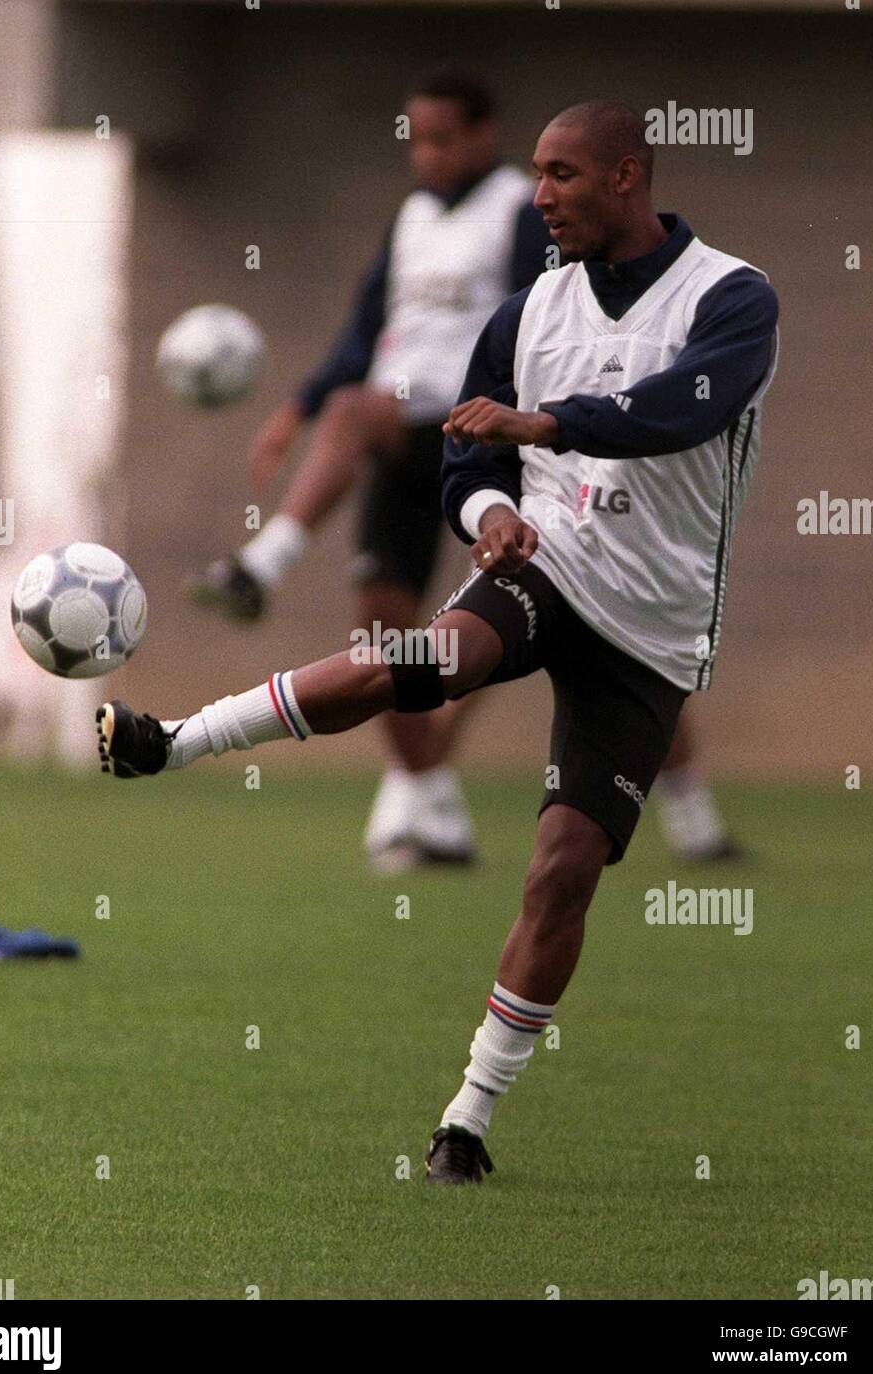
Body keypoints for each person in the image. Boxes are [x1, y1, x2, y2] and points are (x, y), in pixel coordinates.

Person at [97, 100, 778, 1185]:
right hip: (546, 571)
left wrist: (542, 427)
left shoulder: (733, 295)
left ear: (627, 176)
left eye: (562, 174)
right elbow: (470, 460)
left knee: (562, 873)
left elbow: (682, 408)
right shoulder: (525, 312)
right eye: (539, 174)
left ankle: (468, 1115)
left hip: (653, 629)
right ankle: (173, 740)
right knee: (409, 660)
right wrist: (488, 518)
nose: (542, 193)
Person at [188, 68, 553, 869]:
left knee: (502, 639)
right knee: (385, 635)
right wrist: (298, 405)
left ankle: (263, 563)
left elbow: (544, 321)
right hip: (397, 434)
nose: (424, 155)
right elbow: (365, 326)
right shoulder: (413, 217)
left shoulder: (522, 210)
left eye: (441, 138)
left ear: (482, 133)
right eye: (415, 139)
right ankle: (432, 807)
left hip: (478, 435)